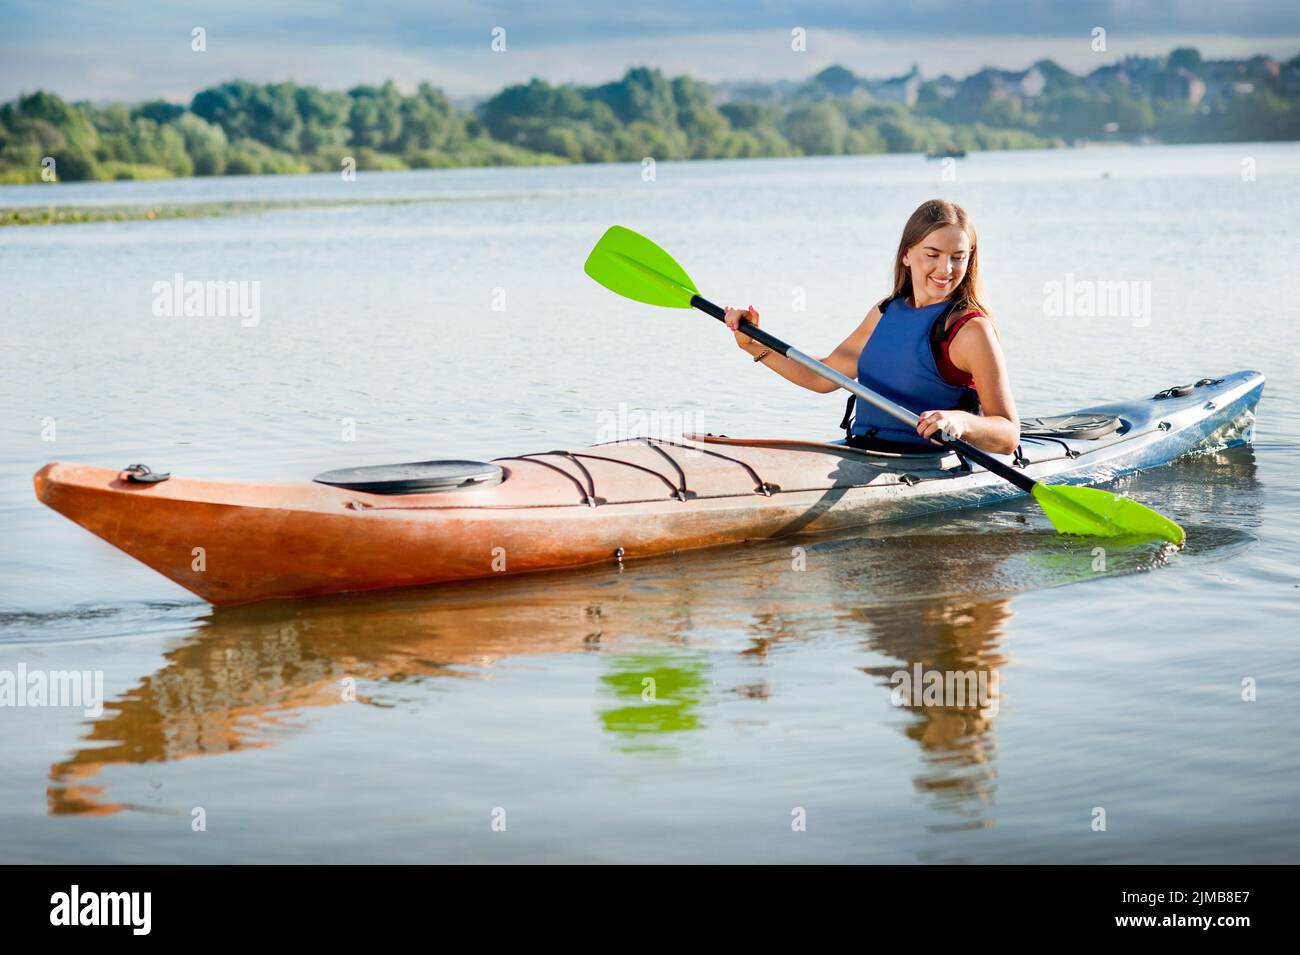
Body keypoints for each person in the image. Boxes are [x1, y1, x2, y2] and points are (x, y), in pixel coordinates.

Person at [724, 199, 1020, 455]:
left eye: (958, 258)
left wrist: (959, 421)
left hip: (927, 462)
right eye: (933, 255)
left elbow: (1008, 435)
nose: (946, 269)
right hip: (863, 449)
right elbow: (824, 376)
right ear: (906, 255)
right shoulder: (885, 312)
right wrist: (754, 345)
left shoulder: (970, 330)